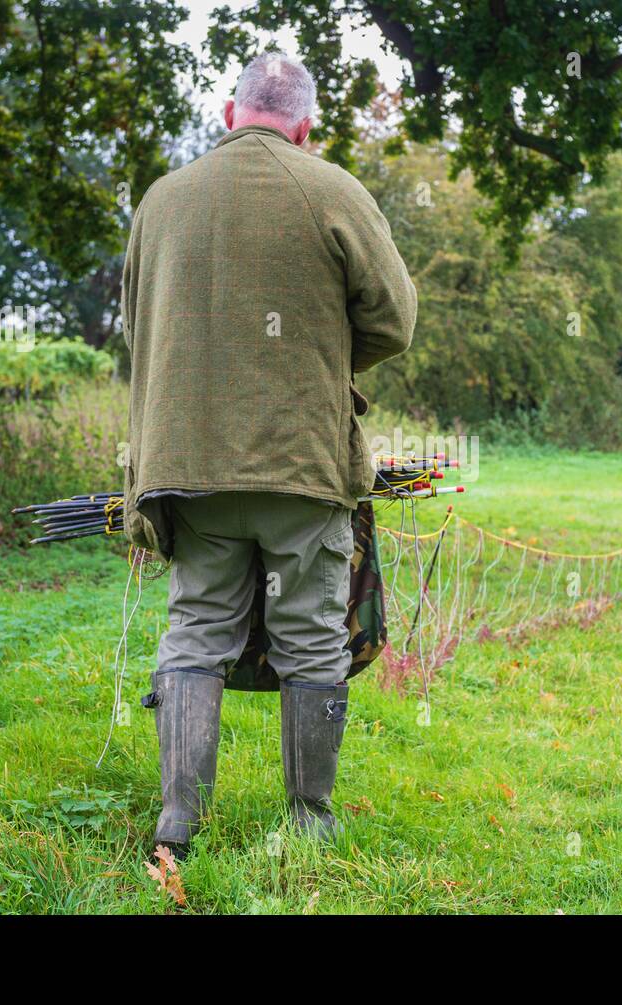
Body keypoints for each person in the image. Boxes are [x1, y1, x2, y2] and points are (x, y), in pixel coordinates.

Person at [120, 52, 416, 856]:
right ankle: (309, 822)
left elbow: (137, 326)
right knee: (312, 635)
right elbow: (393, 322)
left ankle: (178, 823)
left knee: (194, 631)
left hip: (184, 461)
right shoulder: (334, 190)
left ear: (229, 113)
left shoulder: (161, 200)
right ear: (306, 126)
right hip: (301, 460)